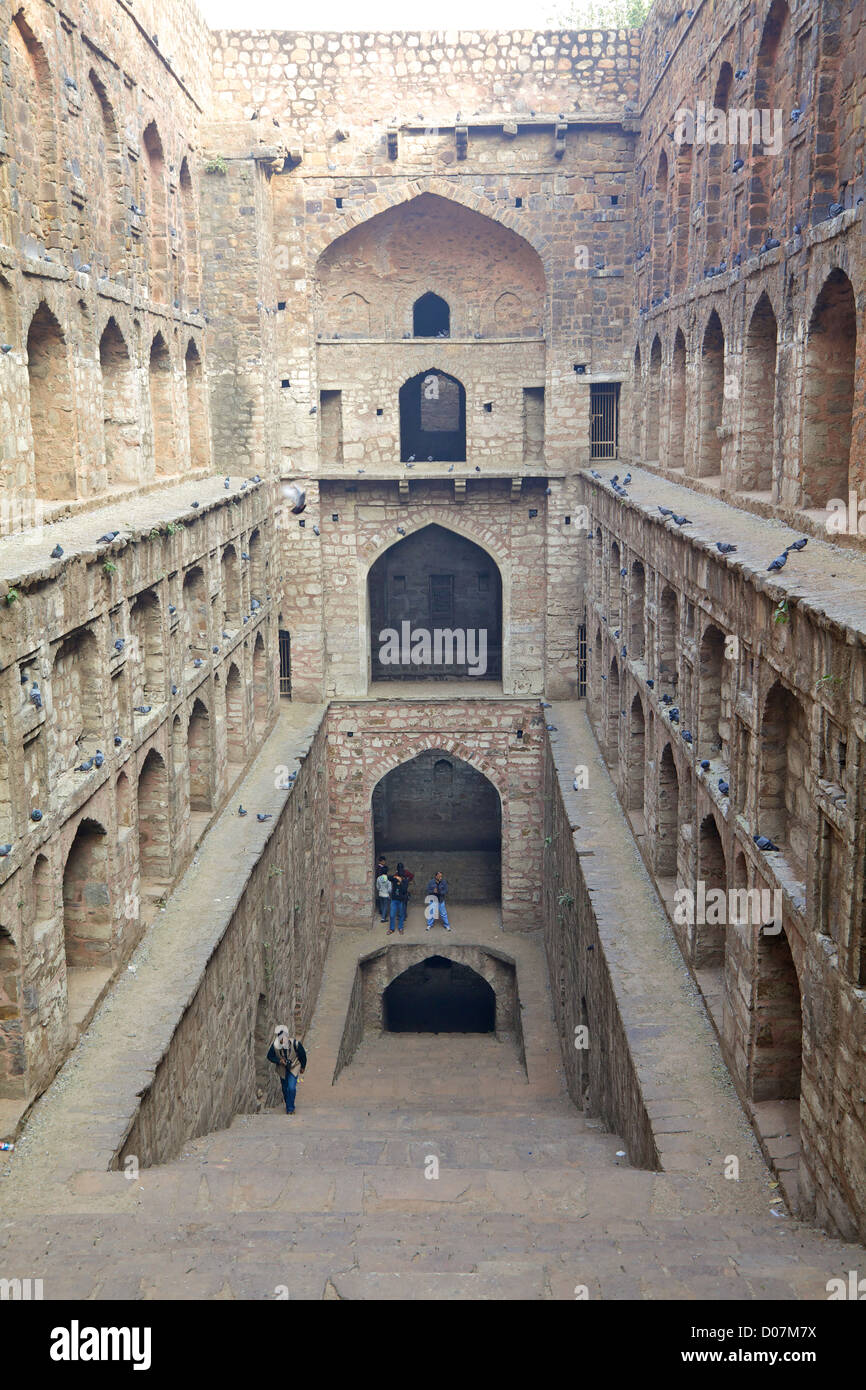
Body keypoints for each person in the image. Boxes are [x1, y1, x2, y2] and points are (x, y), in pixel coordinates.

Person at [266, 1023, 307, 1115]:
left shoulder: (295, 1044)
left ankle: (290, 1109)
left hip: (294, 1067)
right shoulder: (275, 1046)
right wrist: (279, 1061)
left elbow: (303, 1055)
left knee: (291, 1088)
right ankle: (289, 1105)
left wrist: (303, 1067)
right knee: (285, 1089)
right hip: (282, 1069)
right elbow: (269, 1056)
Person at [388, 869, 409, 934]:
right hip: (394, 899)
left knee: (401, 915)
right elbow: (388, 877)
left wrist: (401, 881)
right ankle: (391, 929)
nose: (400, 877)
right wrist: (395, 876)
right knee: (392, 914)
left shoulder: (405, 881)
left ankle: (400, 928)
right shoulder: (395, 879)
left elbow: (404, 890)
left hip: (401, 900)